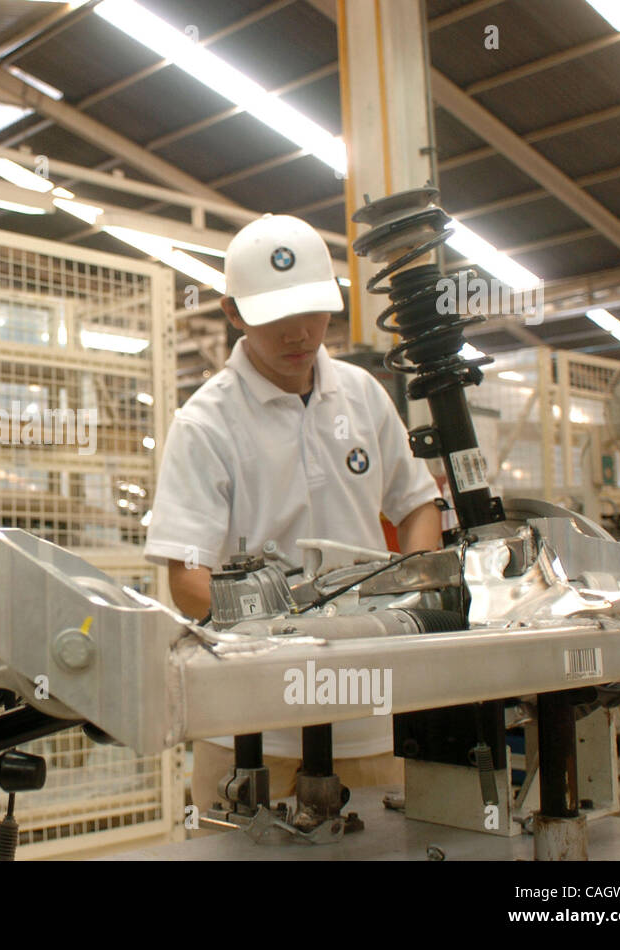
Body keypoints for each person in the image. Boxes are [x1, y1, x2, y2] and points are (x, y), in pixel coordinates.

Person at [142, 213, 443, 814]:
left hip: (371, 717)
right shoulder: (207, 422)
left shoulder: (363, 395)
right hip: (249, 731)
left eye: (313, 310)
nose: (300, 332)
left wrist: (416, 593)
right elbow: (186, 580)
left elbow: (416, 506)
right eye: (275, 316)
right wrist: (288, 629)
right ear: (233, 312)